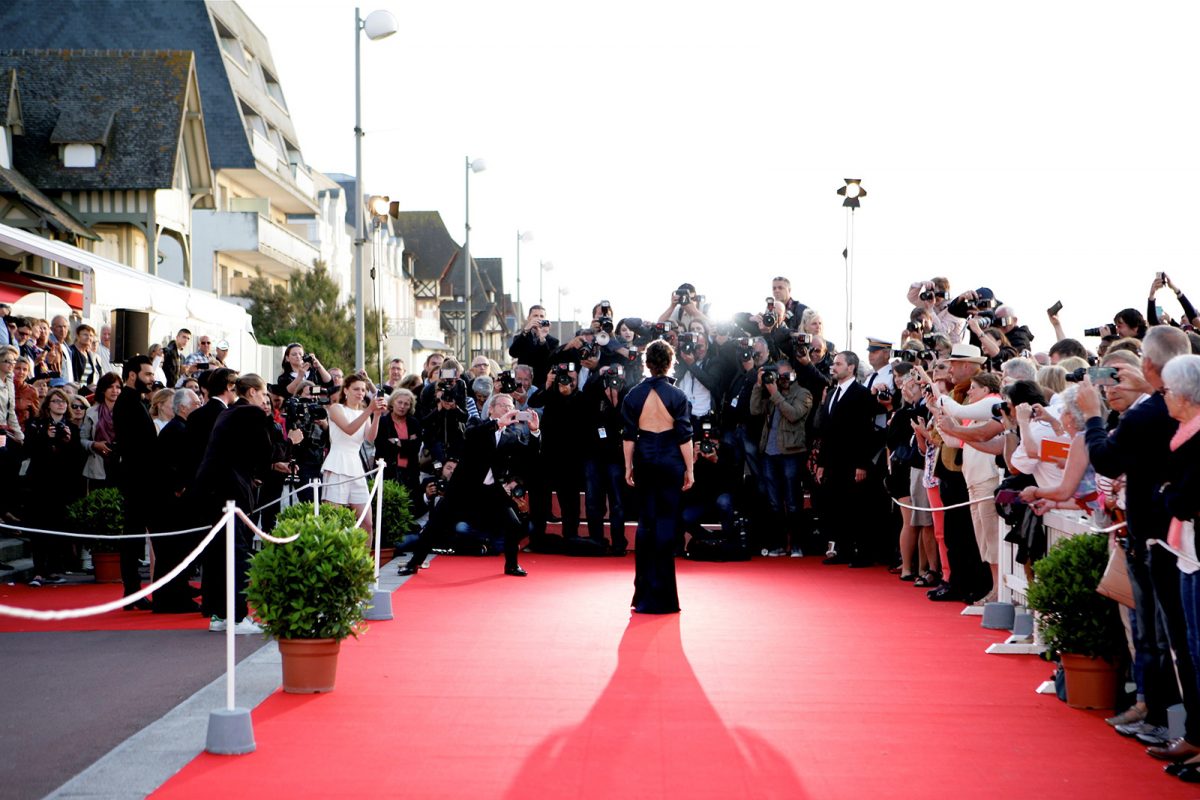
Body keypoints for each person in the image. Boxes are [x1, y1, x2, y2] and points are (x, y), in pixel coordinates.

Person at [398, 392, 541, 577]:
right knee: (436, 525)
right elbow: (471, 435)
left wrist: (535, 431)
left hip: (490, 490)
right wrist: (497, 424)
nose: (508, 409)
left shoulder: (512, 434)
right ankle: (414, 563)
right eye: (503, 406)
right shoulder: (476, 423)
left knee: (513, 524)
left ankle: (511, 565)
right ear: (491, 408)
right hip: (463, 488)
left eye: (511, 406)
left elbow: (529, 456)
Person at [196, 374, 295, 633]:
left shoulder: (228, 413)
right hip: (231, 492)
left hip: (213, 490)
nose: (266, 401)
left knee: (219, 554)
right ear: (251, 392)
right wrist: (290, 441)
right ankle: (237, 617)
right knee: (236, 553)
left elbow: (244, 453)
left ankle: (219, 615)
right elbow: (267, 454)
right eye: (263, 395)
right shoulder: (250, 415)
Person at [622, 340, 693, 614]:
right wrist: (690, 469)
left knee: (645, 523)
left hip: (645, 461)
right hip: (671, 463)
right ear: (670, 362)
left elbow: (629, 436)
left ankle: (643, 597)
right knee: (666, 523)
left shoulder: (633, 396)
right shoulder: (677, 396)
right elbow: (684, 437)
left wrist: (628, 466)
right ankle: (664, 598)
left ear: (646, 363)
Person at [814, 351, 878, 567]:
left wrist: (862, 463)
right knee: (836, 506)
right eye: (834, 363)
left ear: (851, 367)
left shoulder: (862, 393)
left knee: (856, 507)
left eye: (838, 364)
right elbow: (826, 431)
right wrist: (821, 463)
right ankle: (843, 549)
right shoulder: (831, 394)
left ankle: (864, 552)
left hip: (853, 461)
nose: (834, 367)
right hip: (833, 462)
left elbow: (865, 431)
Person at [23, 388, 84, 587]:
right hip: (40, 485)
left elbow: (76, 459)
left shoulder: (71, 428)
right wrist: (45, 437)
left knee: (57, 528)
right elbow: (27, 451)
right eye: (56, 401)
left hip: (61, 486)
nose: (60, 405)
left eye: (63, 402)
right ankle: (39, 571)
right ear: (48, 404)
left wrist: (67, 441)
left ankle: (53, 569)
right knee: (39, 528)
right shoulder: (35, 425)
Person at [112, 355, 158, 610]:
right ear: (132, 375)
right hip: (138, 479)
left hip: (140, 478)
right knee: (133, 536)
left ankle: (135, 591)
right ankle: (132, 590)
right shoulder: (127, 403)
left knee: (137, 535)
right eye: (148, 374)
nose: (152, 379)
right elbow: (136, 446)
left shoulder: (134, 401)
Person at [322, 374, 385, 537]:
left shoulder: (364, 412)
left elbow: (370, 438)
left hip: (356, 467)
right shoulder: (336, 408)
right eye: (356, 389)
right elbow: (349, 429)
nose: (360, 393)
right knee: (334, 521)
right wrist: (370, 410)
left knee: (367, 523)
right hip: (337, 464)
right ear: (346, 390)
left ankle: (363, 562)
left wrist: (376, 415)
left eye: (363, 390)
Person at [80, 372, 122, 491]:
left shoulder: (128, 413)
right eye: (110, 387)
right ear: (103, 390)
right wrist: (94, 445)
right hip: (97, 465)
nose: (115, 390)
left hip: (120, 465)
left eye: (118, 387)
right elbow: (83, 439)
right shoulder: (91, 412)